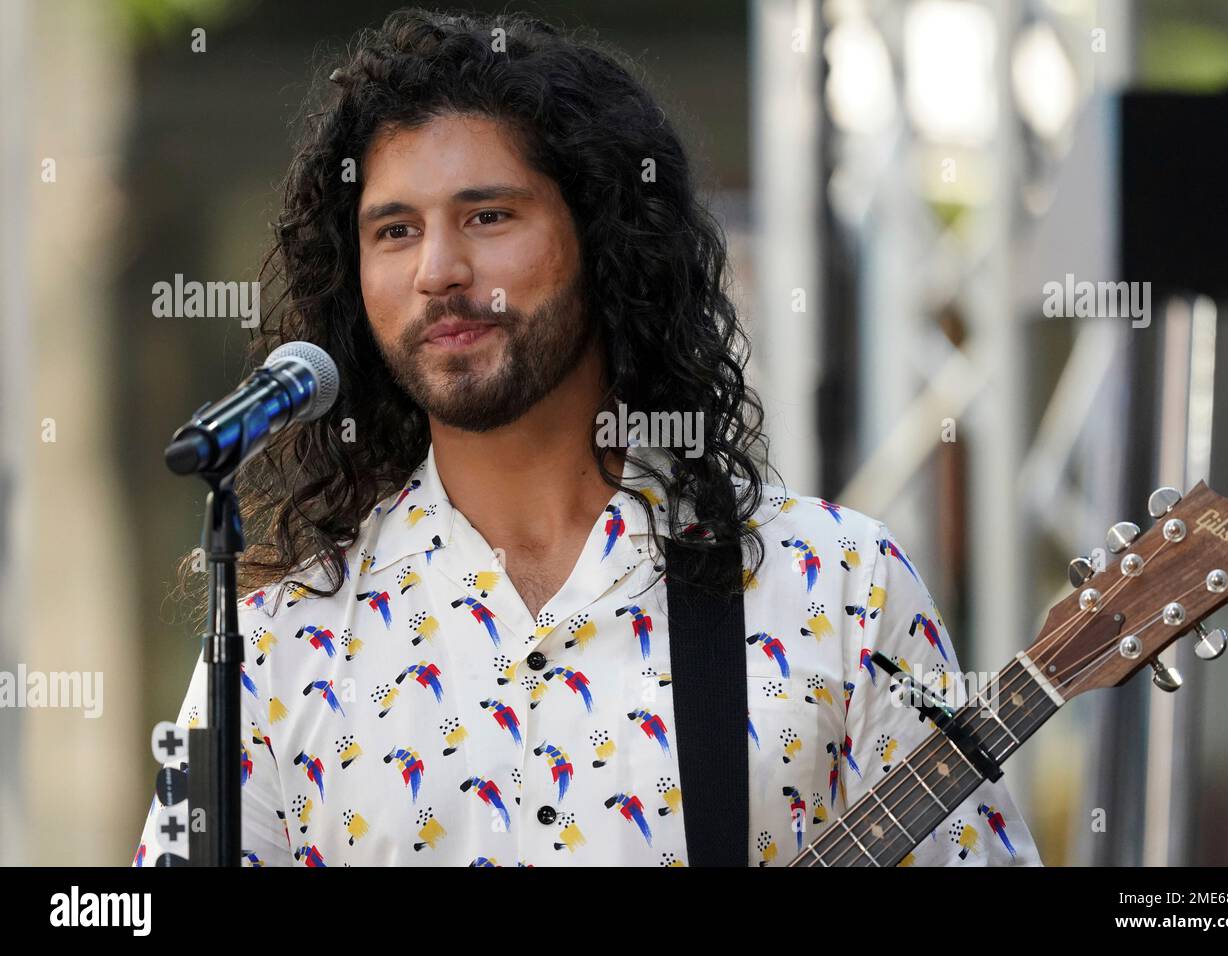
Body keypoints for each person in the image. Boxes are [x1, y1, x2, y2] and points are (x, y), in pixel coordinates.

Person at [134, 8, 1041, 867]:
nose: (439, 270)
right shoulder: (276, 650)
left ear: (604, 239)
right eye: (395, 231)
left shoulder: (837, 586)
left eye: (488, 216)